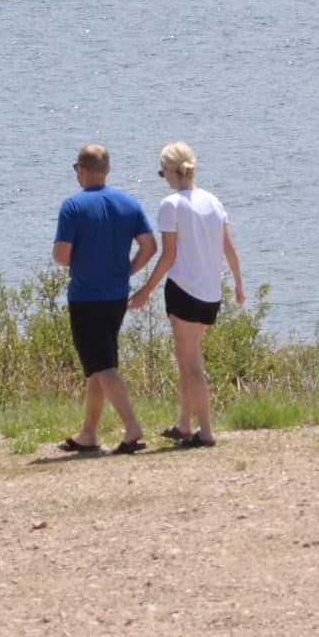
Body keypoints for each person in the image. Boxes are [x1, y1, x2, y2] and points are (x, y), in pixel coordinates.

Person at [129, 141, 245, 449]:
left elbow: (168, 256)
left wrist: (144, 290)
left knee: (191, 363)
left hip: (183, 291)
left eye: (162, 172)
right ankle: (184, 422)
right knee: (184, 357)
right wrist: (238, 284)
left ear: (169, 170)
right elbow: (229, 249)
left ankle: (205, 431)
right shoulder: (213, 201)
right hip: (210, 295)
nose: (163, 177)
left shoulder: (171, 205)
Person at [52, 143, 157, 455]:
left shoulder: (72, 207)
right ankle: (88, 433)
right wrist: (126, 271)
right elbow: (150, 246)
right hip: (116, 297)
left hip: (86, 298)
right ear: (107, 170)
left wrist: (87, 261)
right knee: (98, 366)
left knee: (104, 366)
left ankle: (132, 427)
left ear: (81, 170)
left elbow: (61, 255)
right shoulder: (128, 203)